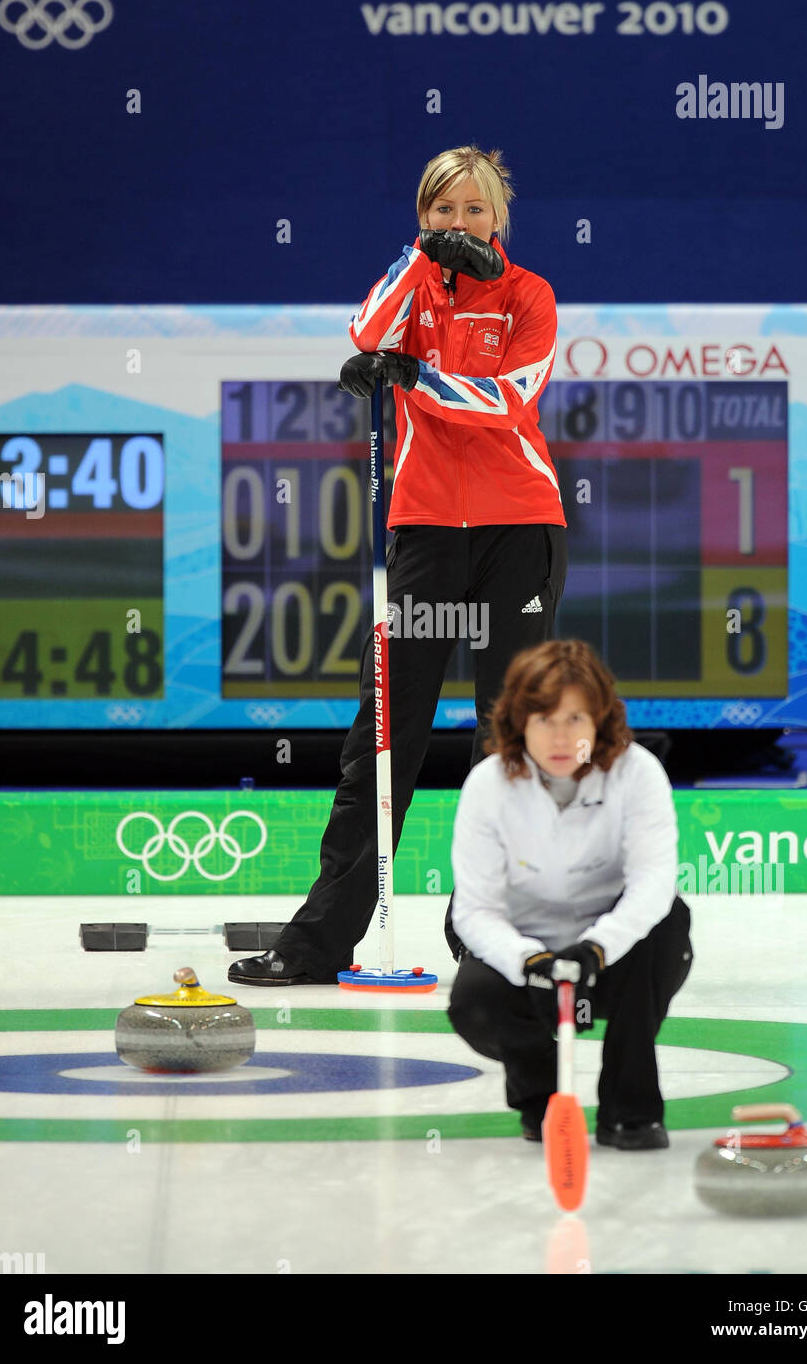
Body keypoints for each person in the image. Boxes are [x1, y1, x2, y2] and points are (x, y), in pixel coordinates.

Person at [228, 144, 567, 987]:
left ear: (501, 218)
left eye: (474, 211)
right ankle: (319, 940)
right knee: (384, 734)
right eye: (442, 212)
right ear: (423, 217)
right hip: (423, 532)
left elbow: (508, 404)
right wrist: (418, 264)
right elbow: (363, 332)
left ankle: (493, 935)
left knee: (514, 737)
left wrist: (418, 375)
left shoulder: (530, 296)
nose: (460, 225)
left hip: (519, 530)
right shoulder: (413, 288)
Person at [447, 639, 693, 1150]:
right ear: (519, 723)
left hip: (614, 952)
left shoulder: (639, 772)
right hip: (527, 945)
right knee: (475, 1001)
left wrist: (598, 948)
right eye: (543, 719)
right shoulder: (487, 786)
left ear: (600, 720)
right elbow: (476, 909)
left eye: (575, 719)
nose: (561, 737)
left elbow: (653, 884)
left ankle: (632, 1109)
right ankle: (541, 1103)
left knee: (667, 924)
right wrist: (527, 958)